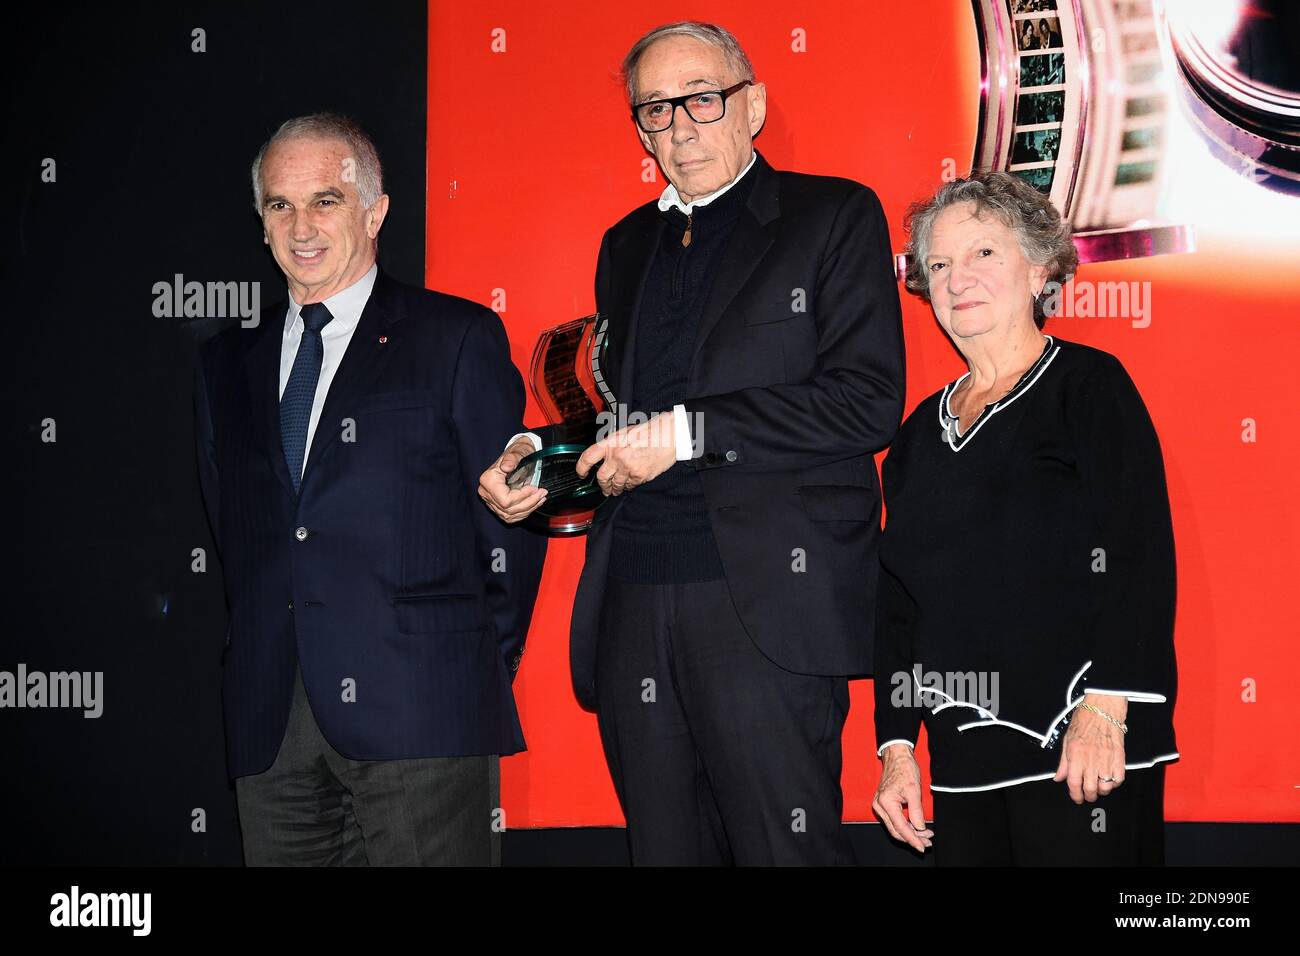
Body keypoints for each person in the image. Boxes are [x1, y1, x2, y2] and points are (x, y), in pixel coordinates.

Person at [480, 21, 905, 865]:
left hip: (762, 604)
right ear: (639, 129)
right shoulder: (626, 244)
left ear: (751, 105)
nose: (681, 126)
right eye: (657, 109)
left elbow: (867, 404)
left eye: (702, 99)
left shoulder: (833, 214)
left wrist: (684, 436)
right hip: (635, 594)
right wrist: (541, 457)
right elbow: (626, 414)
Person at [193, 113, 546, 865]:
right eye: (279, 206)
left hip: (423, 709)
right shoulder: (225, 365)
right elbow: (237, 529)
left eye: (326, 200)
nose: (302, 226)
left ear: (376, 211)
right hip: (271, 725)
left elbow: (508, 521)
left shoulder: (454, 338)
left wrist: (469, 661)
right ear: (260, 223)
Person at [871, 170, 1178, 866]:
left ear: (1040, 268)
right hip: (962, 760)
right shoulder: (918, 435)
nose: (957, 279)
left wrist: (1106, 712)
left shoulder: (1089, 388)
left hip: (1081, 749)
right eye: (939, 264)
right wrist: (896, 749)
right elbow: (897, 609)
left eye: (983, 253)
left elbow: (1136, 558)